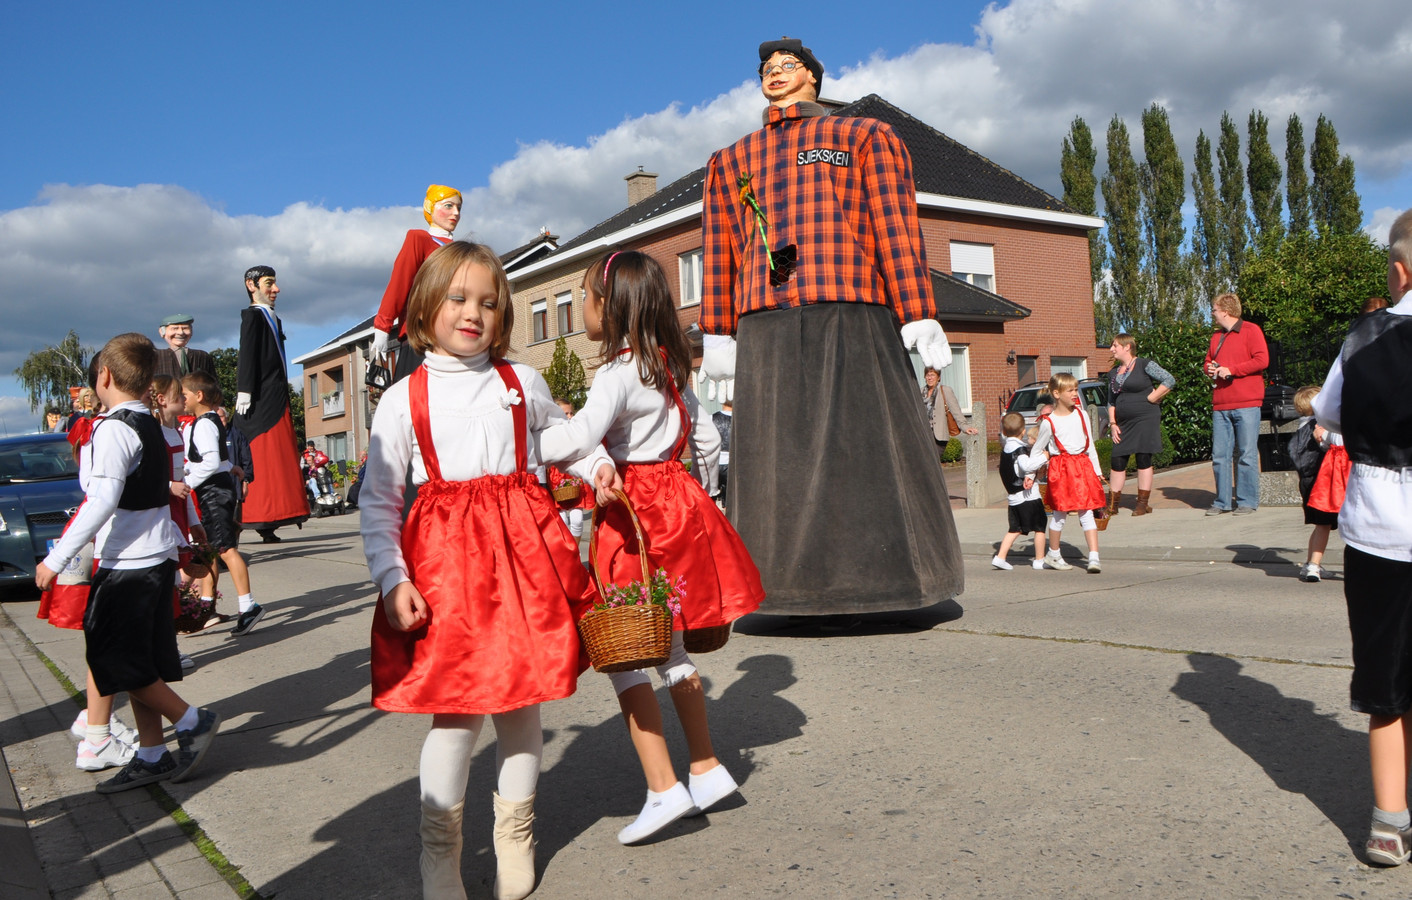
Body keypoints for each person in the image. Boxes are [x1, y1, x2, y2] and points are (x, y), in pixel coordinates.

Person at [360, 241, 614, 900]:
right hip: (447, 573)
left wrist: (595, 468)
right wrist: (392, 577)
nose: (474, 312)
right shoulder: (403, 398)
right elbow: (381, 498)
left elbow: (559, 442)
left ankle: (514, 834)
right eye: (459, 298)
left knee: (522, 708)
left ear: (503, 314)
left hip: (524, 565)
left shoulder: (521, 383)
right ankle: (439, 850)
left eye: (489, 301)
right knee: (457, 716)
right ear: (426, 306)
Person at [698, 37, 962, 614]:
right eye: (767, 68)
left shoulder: (863, 136)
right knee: (772, 460)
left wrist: (917, 309)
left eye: (787, 66)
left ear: (813, 78)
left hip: (851, 306)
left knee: (862, 446)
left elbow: (895, 222)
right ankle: (777, 591)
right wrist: (716, 332)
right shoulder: (730, 160)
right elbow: (719, 246)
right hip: (764, 322)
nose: (775, 73)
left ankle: (883, 584)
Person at [539, 249, 765, 845]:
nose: (582, 306)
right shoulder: (668, 369)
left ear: (610, 307)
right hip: (677, 498)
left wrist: (531, 432)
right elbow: (710, 438)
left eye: (585, 296)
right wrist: (704, 490)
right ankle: (706, 765)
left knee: (624, 647)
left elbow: (579, 438)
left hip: (633, 511)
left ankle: (664, 787)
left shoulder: (616, 374)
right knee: (669, 645)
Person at [35, 333, 221, 793]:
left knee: (112, 660)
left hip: (128, 562)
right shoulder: (156, 427)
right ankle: (152, 754)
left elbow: (100, 501)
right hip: (155, 557)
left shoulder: (112, 428)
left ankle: (192, 721)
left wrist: (55, 559)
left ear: (104, 377)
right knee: (144, 660)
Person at [1311, 207, 1412, 866]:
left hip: (1382, 528)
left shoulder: (1366, 338)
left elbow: (1328, 411)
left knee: (1386, 679)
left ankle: (1387, 821)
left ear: (1399, 272)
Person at [183, 371, 262, 637]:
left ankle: (247, 605)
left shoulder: (204, 424)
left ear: (199, 395)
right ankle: (206, 606)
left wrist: (187, 483)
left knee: (225, 549)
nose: (182, 399)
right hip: (215, 491)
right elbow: (220, 460)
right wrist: (233, 468)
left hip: (214, 493)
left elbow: (210, 461)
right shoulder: (209, 422)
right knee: (210, 550)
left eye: (184, 394)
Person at [234, 265, 308, 542]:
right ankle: (250, 516)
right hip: (260, 397)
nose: (275, 289)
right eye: (269, 283)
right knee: (258, 452)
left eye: (275, 283)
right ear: (251, 285)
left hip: (276, 396)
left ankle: (273, 519)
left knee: (278, 455)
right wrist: (244, 390)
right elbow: (248, 354)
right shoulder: (253, 316)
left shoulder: (272, 318)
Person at [371, 185, 463, 383]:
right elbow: (400, 281)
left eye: (458, 208)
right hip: (422, 336)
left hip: (455, 337)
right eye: (448, 206)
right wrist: (382, 327)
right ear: (430, 207)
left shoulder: (463, 251)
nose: (455, 213)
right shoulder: (420, 239)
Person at [150, 375, 204, 670]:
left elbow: (181, 479)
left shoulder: (177, 432)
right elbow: (151, 479)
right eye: (178, 394)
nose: (185, 398)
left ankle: (168, 647)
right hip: (160, 509)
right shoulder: (154, 433)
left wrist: (194, 520)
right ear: (161, 400)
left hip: (178, 509)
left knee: (173, 580)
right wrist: (169, 486)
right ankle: (164, 649)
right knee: (164, 579)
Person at [1032, 373, 1106, 574]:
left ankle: (1094, 557)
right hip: (1062, 469)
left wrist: (1097, 471)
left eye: (1076, 389)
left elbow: (1090, 445)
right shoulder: (1049, 421)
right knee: (1059, 514)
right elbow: (1037, 449)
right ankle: (1054, 553)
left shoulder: (1081, 414)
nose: (1075, 394)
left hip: (1082, 467)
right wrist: (1032, 472)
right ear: (1056, 393)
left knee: (1087, 511)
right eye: (1071, 390)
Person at [1203, 292, 1268, 516]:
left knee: (1247, 454)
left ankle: (1247, 501)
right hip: (1220, 404)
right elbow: (1207, 361)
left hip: (1247, 402)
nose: (1212, 313)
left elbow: (1262, 360)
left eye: (1214, 309)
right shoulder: (1216, 337)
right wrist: (1210, 369)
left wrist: (1232, 370)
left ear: (1225, 311)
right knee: (1219, 455)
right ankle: (1222, 502)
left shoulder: (1252, 330)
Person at [1106, 334, 1175, 516]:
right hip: (1123, 423)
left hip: (1145, 418)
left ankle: (1142, 504)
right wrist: (1113, 423)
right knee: (1117, 459)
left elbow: (1169, 379)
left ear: (1127, 346)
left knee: (1143, 457)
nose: (1112, 349)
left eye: (1115, 346)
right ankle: (1113, 504)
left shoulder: (1144, 364)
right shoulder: (1113, 373)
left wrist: (1153, 397)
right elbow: (1111, 401)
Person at [1289, 385, 1339, 584]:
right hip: (1323, 483)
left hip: (1307, 482)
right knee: (1327, 526)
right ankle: (1314, 566)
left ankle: (1311, 563)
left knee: (1321, 525)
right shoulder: (1318, 427)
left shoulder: (1300, 429)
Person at [992, 412, 1050, 570]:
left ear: (1004, 432)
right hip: (1028, 496)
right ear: (1023, 431)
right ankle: (1039, 559)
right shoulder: (1020, 450)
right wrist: (1044, 457)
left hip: (1013, 497)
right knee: (1039, 526)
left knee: (1015, 528)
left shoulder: (1005, 449)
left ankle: (1000, 556)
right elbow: (1027, 466)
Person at [923, 366, 978, 458]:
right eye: (928, 375)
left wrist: (965, 427)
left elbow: (956, 411)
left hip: (938, 437)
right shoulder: (920, 392)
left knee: (932, 462)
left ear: (938, 377)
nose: (930, 378)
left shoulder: (945, 390)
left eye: (932, 375)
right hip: (923, 435)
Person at [152, 313, 217, 381]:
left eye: (185, 328)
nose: (180, 332)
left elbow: (212, 384)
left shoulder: (202, 356)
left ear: (191, 331)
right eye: (175, 328)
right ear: (162, 332)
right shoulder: (155, 356)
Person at [711, 400, 732, 507]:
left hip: (714, 462)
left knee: (711, 500)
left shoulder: (711, 418)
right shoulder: (743, 420)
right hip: (733, 465)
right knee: (730, 502)